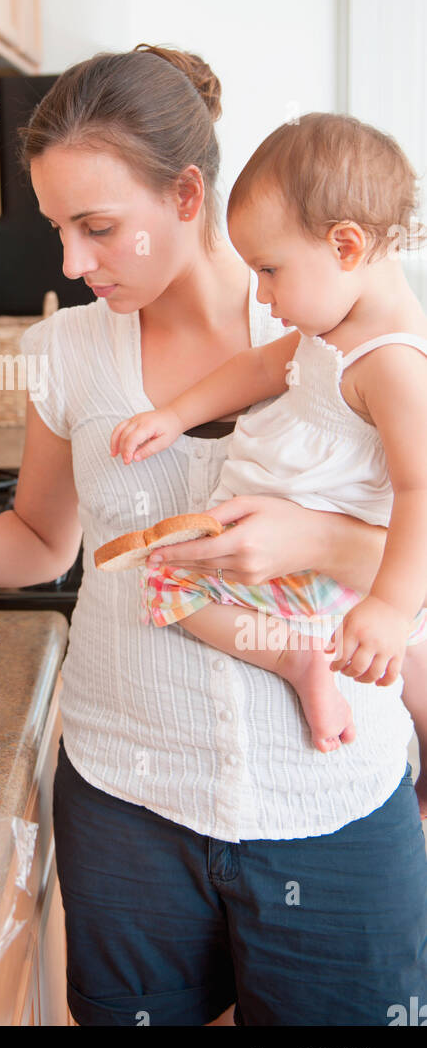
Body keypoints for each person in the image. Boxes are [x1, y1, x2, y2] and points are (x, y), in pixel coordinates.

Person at [0, 45, 427, 1026]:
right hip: (125, 799)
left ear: (186, 195)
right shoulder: (66, 352)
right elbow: (40, 541)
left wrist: (310, 537)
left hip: (329, 800)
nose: (68, 262)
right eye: (58, 228)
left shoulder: (335, 327)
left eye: (96, 228)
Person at [108, 112, 427, 790]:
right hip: (311, 561)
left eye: (271, 269)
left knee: (167, 582)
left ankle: (295, 659)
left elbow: (421, 489)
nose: (263, 293)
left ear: (346, 246)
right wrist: (174, 414)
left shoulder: (393, 363)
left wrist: (394, 610)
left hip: (323, 579)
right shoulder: (333, 330)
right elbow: (257, 369)